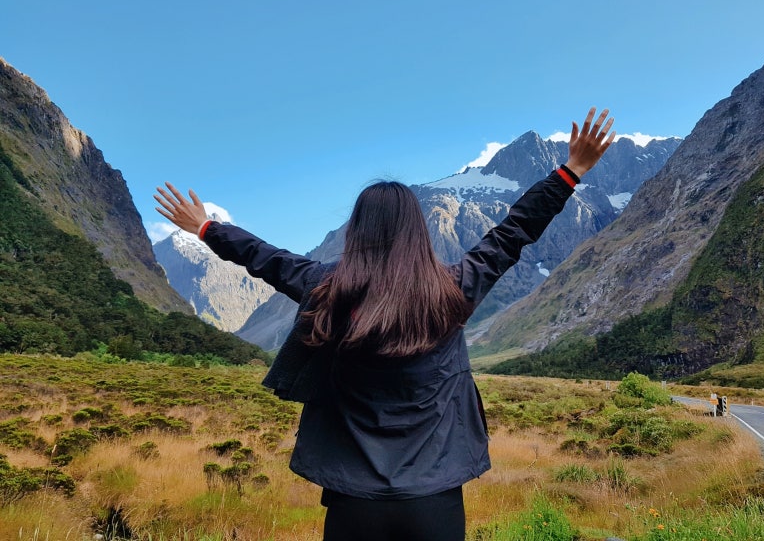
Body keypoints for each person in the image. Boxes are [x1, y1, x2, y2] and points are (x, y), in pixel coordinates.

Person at [155, 107, 615, 541]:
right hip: (435, 498)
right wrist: (570, 171)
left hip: (353, 501)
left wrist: (206, 228)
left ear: (357, 231)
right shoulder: (455, 289)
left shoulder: (325, 286)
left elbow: (266, 259)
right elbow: (513, 232)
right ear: (418, 231)